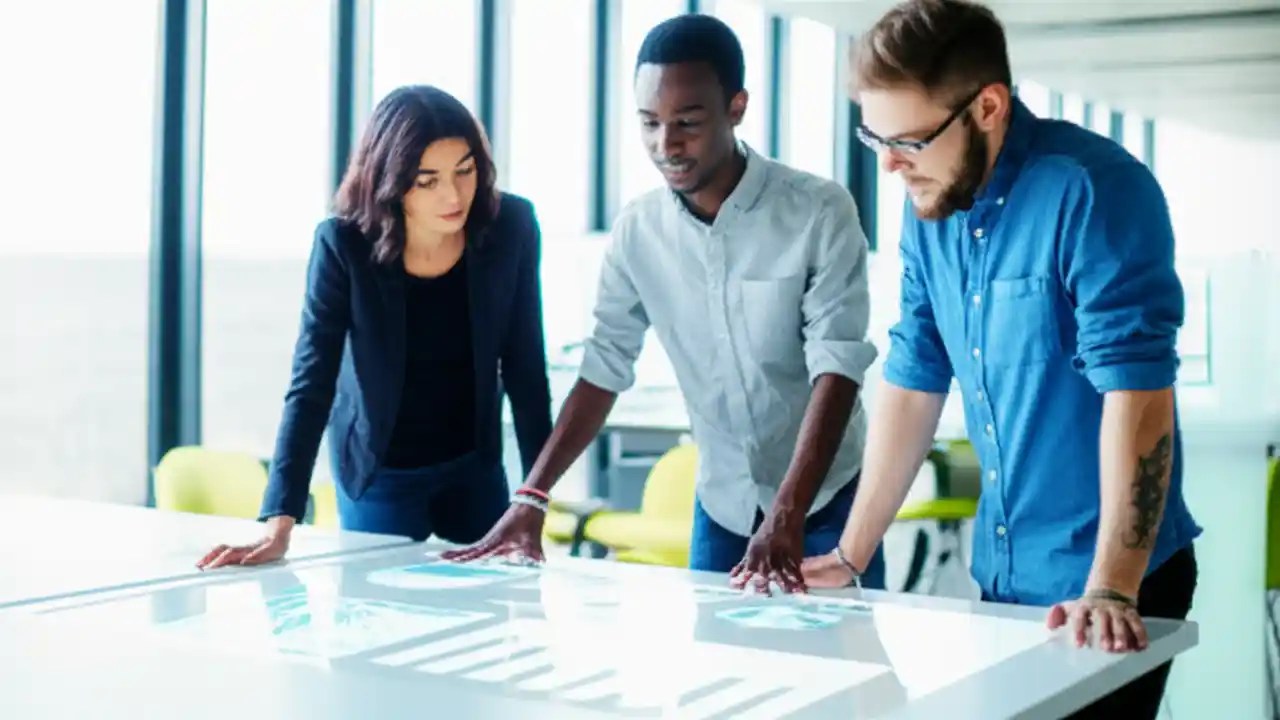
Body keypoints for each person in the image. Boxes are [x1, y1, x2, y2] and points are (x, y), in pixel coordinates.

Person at [797, 1, 1201, 717]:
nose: (889, 164)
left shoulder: (1095, 192)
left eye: (910, 140)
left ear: (988, 106)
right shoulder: (930, 203)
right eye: (875, 138)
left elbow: (1137, 392)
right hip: (1006, 579)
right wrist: (852, 553)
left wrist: (1111, 583)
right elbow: (914, 377)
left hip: (1109, 581)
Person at [443, 14, 885, 594]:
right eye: (649, 123)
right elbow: (603, 367)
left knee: (847, 672)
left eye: (688, 123)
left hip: (828, 502)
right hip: (724, 506)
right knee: (719, 676)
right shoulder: (638, 232)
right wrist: (533, 495)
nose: (666, 144)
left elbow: (838, 365)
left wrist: (787, 512)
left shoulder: (818, 212)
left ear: (737, 107)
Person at [197, 85, 553, 568]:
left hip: (474, 463)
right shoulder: (344, 245)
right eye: (427, 180)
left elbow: (525, 366)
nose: (453, 194)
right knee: (379, 614)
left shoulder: (510, 224)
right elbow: (312, 380)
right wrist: (280, 518)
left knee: (490, 609)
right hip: (380, 471)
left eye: (465, 171)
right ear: (389, 181)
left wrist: (535, 495)